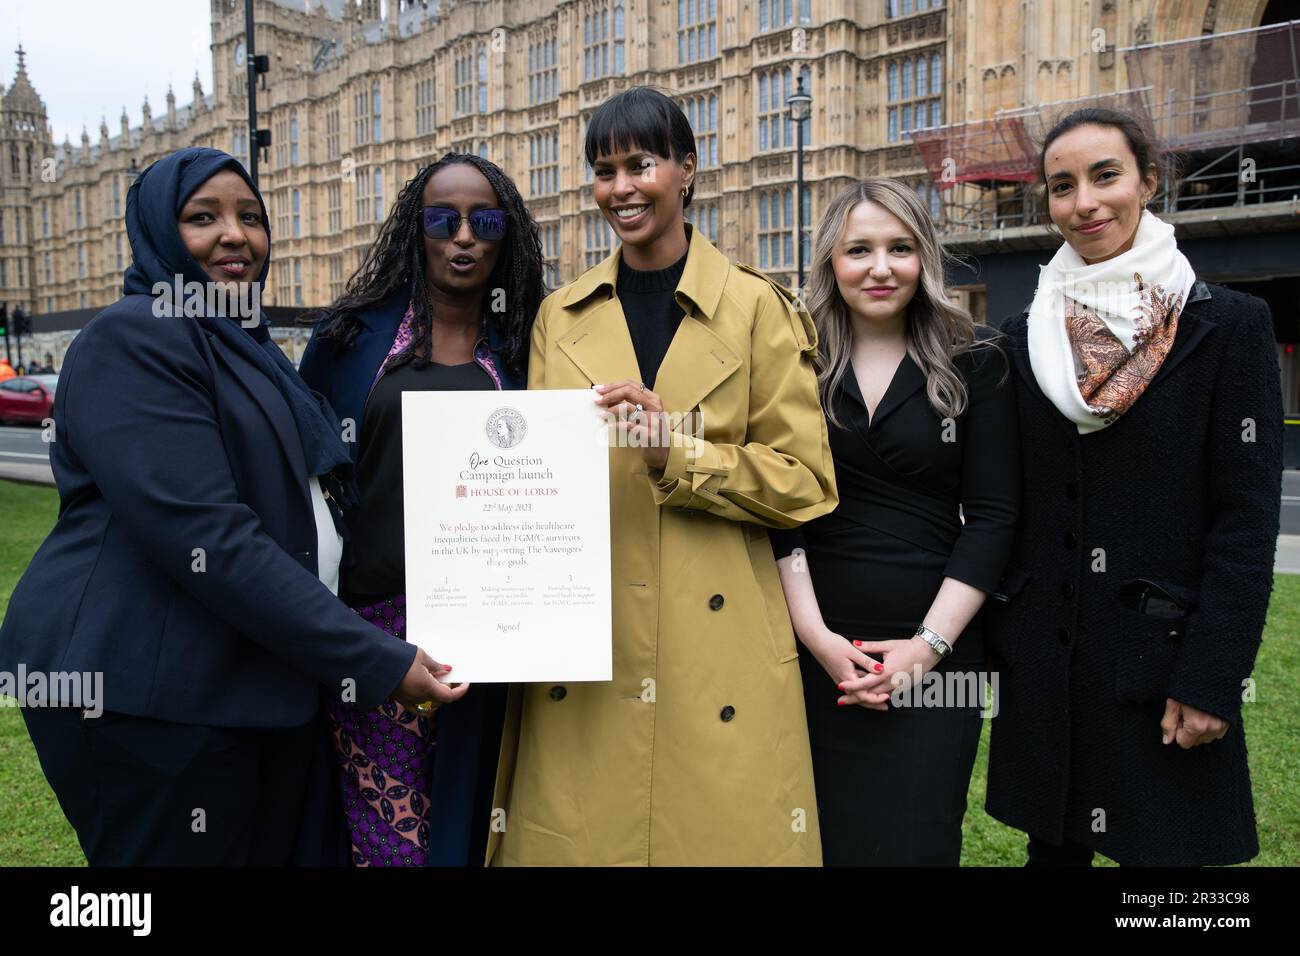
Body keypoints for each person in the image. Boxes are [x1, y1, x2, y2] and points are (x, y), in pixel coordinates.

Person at [0, 147, 454, 866]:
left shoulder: (245, 347)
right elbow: (205, 534)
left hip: (256, 687)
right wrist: (374, 657)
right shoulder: (136, 335)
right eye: (201, 218)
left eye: (250, 217)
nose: (235, 235)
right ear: (155, 230)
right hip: (154, 704)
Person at [487, 87, 838, 866]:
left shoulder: (757, 309)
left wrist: (673, 450)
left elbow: (805, 480)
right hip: (588, 633)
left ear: (686, 168)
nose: (620, 188)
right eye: (603, 170)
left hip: (718, 643)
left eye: (640, 164)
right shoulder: (559, 316)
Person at [985, 108, 1282, 866]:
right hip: (1051, 667)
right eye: (1060, 186)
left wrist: (1215, 677)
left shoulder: (1231, 327)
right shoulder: (1022, 339)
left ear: (1149, 181)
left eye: (1105, 176)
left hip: (1165, 665)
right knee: (1052, 856)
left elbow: (1245, 523)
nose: (1083, 202)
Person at [298, 153, 546, 866]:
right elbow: (303, 472)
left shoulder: (533, 342)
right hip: (375, 634)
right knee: (391, 842)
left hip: (496, 630)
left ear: (508, 234)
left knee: (478, 822)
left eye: (484, 220)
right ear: (418, 229)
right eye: (443, 219)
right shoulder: (349, 339)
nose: (463, 237)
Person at [769, 178, 1019, 866]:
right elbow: (780, 511)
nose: (880, 267)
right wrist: (817, 637)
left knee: (917, 841)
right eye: (860, 250)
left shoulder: (978, 362)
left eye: (900, 248)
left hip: (936, 659)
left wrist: (925, 649)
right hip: (812, 655)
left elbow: (994, 518)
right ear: (830, 263)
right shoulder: (795, 364)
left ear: (924, 259)